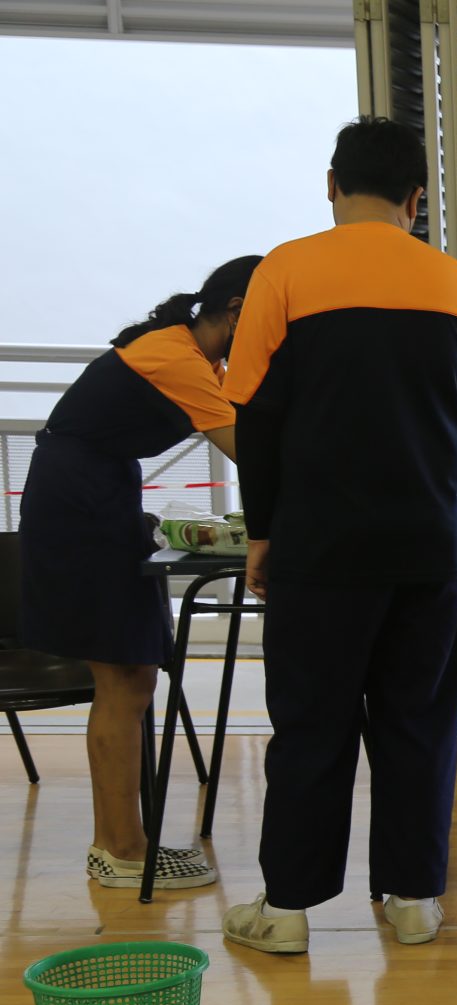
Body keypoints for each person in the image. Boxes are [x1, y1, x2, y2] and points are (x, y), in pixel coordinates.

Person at [219, 117, 457, 954]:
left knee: (312, 721)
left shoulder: (285, 272)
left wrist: (263, 534)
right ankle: (413, 898)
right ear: (417, 200)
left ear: (332, 185)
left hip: (319, 546)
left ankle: (287, 911)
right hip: (431, 546)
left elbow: (258, 417)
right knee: (419, 721)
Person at [17, 257, 261, 891]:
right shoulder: (174, 356)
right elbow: (248, 451)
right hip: (79, 502)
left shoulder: (200, 360)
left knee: (132, 674)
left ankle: (123, 844)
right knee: (122, 675)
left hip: (99, 493)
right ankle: (121, 850)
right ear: (236, 311)